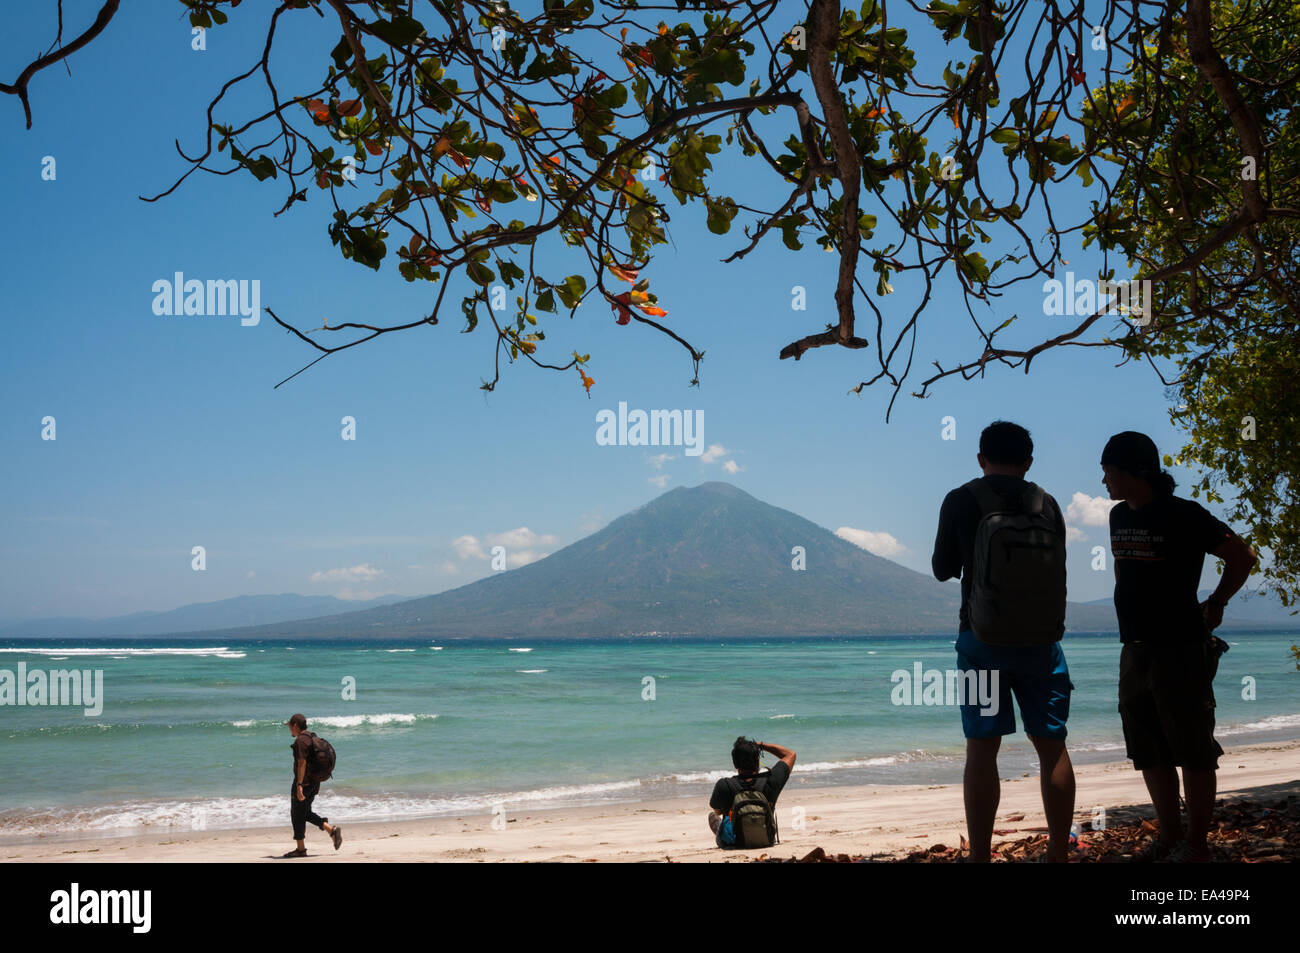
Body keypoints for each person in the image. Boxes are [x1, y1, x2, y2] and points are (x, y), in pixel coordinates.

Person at [1102, 431, 1256, 863]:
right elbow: (1122, 572)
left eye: (1109, 472)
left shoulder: (1185, 514)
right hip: (1134, 647)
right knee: (1147, 747)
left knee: (1192, 748)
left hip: (1182, 647)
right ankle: (1169, 836)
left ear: (1136, 472)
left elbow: (1242, 556)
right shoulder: (1118, 516)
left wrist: (1218, 602)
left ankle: (1197, 844)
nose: (1105, 481)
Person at [932, 420, 1076, 862]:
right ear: (1028, 462)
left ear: (980, 458)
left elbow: (942, 568)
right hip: (1041, 642)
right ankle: (1057, 851)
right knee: (1051, 746)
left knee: (982, 750)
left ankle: (979, 856)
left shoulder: (961, 499)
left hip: (981, 642)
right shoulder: (1046, 504)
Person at [707, 737, 796, 848]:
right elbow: (790, 754)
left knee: (713, 816)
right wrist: (760, 745)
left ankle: (723, 832)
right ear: (757, 760)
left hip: (734, 843)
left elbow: (717, 811)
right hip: (767, 840)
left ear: (735, 764)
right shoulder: (771, 781)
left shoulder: (724, 785)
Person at [283, 714, 342, 857]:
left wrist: (299, 785)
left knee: (297, 813)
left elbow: (302, 763)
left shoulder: (300, 741)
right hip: (315, 782)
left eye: (290, 726)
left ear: (295, 725)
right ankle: (331, 830)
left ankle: (301, 849)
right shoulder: (311, 737)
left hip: (304, 782)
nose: (289, 729)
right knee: (304, 812)